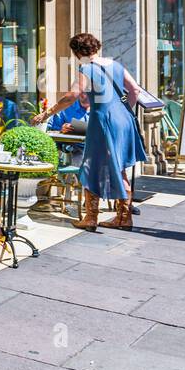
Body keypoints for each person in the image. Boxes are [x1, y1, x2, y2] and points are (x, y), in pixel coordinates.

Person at [33, 32, 147, 231]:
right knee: (120, 168)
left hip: (102, 120)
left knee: (89, 166)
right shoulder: (116, 65)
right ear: (96, 47)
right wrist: (121, 110)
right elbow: (135, 90)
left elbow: (72, 96)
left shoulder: (86, 67)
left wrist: (47, 114)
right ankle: (124, 217)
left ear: (77, 52)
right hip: (124, 120)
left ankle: (91, 217)